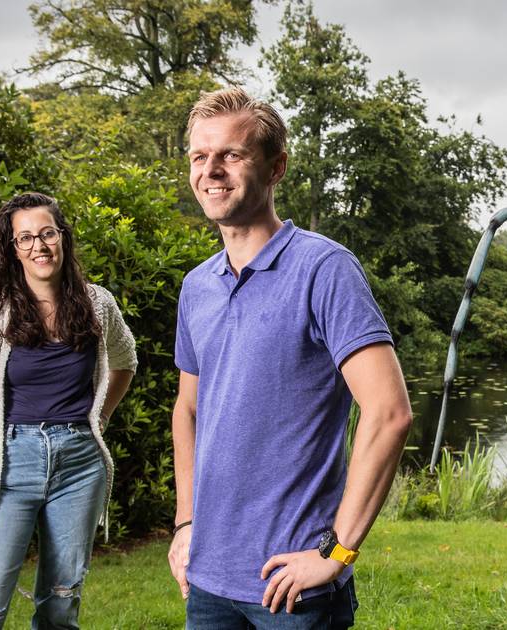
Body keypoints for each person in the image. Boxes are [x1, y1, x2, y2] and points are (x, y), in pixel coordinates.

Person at [168, 87, 413, 629]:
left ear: (275, 168)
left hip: (291, 587)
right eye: (199, 156)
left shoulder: (324, 269)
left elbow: (389, 412)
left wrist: (337, 553)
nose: (211, 170)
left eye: (231, 155)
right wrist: (186, 522)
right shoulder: (197, 286)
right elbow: (188, 410)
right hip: (207, 579)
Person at [0, 192, 137, 629]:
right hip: (7, 466)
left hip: (80, 465)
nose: (38, 246)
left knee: (60, 605)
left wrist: (98, 418)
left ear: (63, 236)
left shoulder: (97, 303)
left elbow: (125, 362)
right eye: (24, 238)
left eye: (47, 233)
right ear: (11, 249)